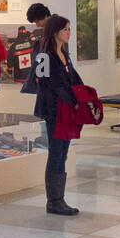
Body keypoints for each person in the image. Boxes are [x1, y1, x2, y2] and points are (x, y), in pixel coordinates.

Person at [33, 14, 82, 216]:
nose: (68, 33)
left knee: (63, 152)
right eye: (65, 29)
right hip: (54, 110)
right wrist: (73, 98)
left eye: (69, 29)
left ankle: (59, 199)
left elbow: (72, 78)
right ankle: (54, 201)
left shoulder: (64, 53)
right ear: (55, 31)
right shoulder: (44, 55)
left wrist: (82, 95)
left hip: (65, 110)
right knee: (56, 153)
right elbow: (49, 84)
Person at [20, 3, 50, 96]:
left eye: (37, 21)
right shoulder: (48, 30)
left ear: (45, 16)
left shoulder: (55, 30)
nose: (37, 25)